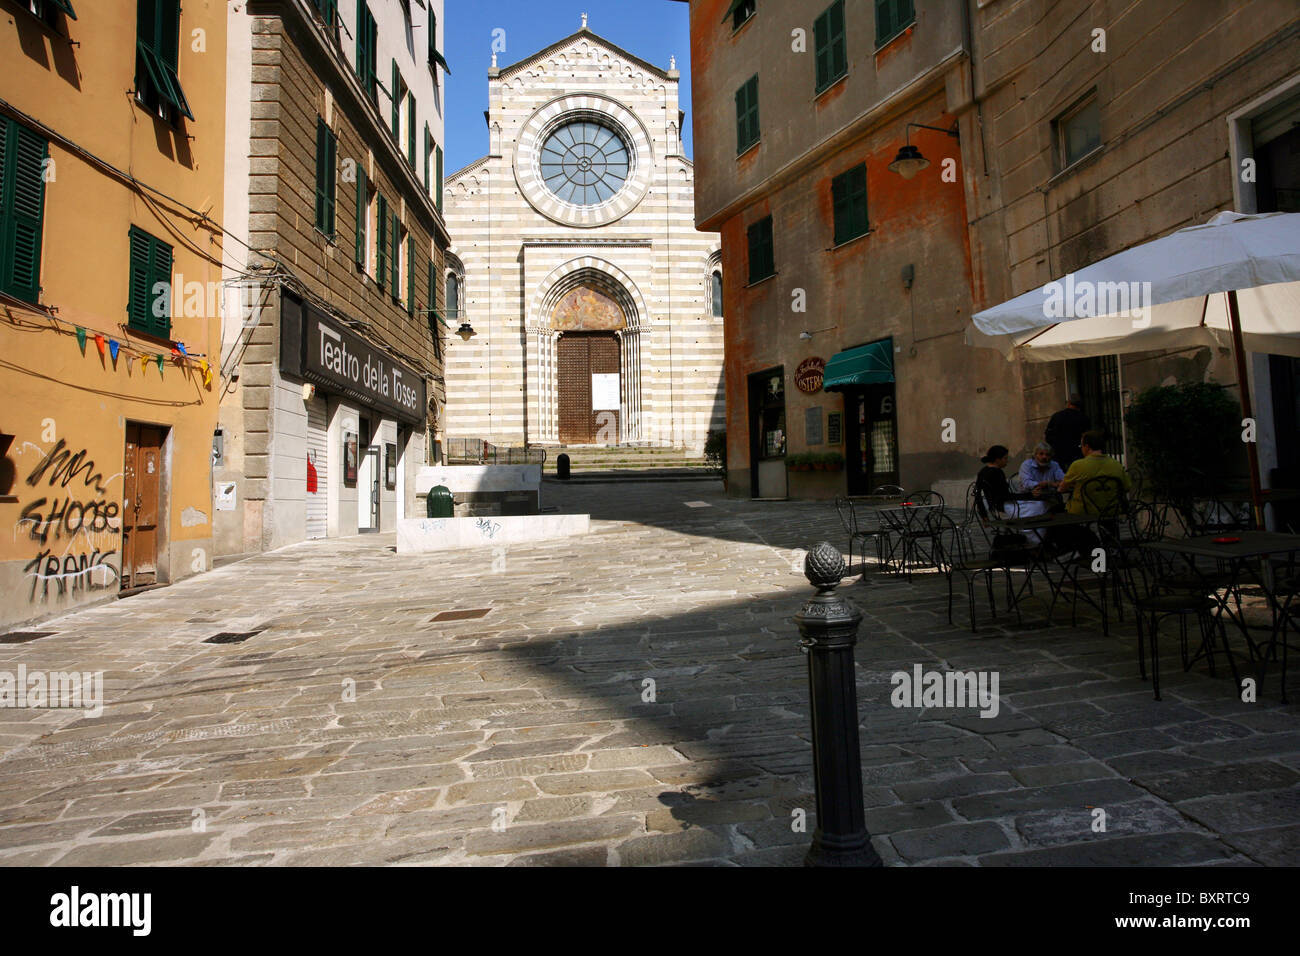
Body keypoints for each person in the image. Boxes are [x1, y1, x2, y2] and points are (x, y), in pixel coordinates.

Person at [976, 445, 1044, 543]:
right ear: (997, 460)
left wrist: (984, 515)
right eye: (1005, 458)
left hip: (994, 509)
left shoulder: (982, 472)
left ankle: (1033, 539)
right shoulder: (997, 473)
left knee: (1035, 505)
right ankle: (1035, 540)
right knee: (1041, 506)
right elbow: (1005, 496)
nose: (1007, 461)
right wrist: (1030, 495)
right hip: (1005, 509)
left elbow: (978, 496)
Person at [1059, 430, 1133, 516]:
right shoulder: (1116, 464)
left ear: (1086, 447)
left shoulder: (1077, 465)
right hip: (1111, 510)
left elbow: (1061, 489)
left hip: (1083, 511)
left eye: (1081, 446)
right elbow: (1126, 487)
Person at [1045, 394, 1090, 471]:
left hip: (1059, 455)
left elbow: (1048, 435)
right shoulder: (1084, 418)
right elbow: (1087, 436)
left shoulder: (1057, 416)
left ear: (1068, 403)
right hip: (1077, 455)